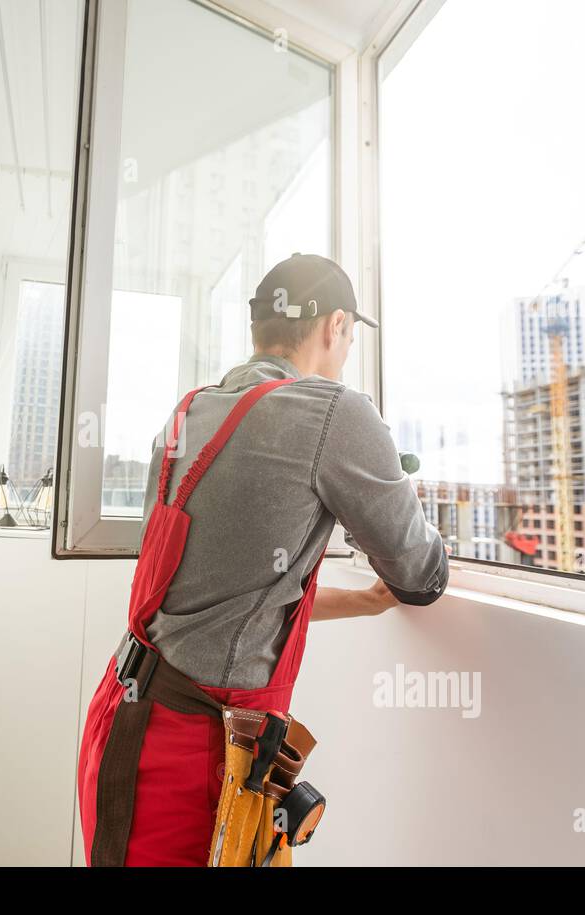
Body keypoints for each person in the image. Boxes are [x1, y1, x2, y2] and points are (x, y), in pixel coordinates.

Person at [77, 252, 449, 867]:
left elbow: (221, 594)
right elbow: (421, 576)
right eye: (350, 335)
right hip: (191, 759)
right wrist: (394, 483)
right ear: (335, 327)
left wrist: (359, 602)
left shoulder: (187, 413)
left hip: (122, 718)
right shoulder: (336, 413)